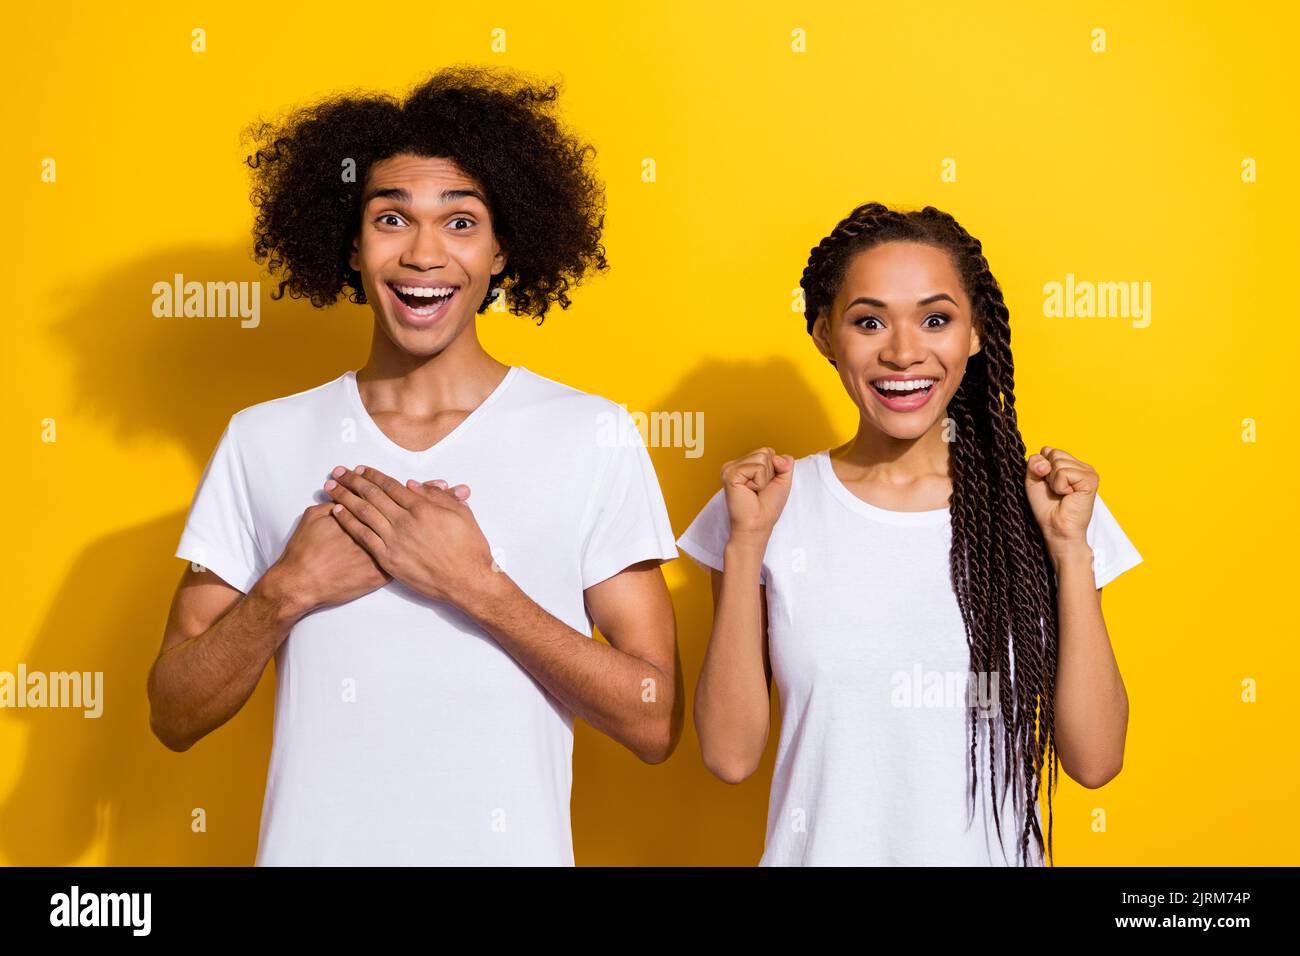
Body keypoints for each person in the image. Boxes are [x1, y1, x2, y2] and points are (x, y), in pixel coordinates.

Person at [148, 66, 682, 865]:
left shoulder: (591, 435)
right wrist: (287, 590)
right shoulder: (261, 438)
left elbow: (653, 718)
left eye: (460, 222)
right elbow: (173, 712)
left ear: (503, 249)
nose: (424, 253)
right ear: (351, 245)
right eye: (391, 218)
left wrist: (477, 586)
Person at [678, 202, 1142, 866]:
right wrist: (745, 544)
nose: (902, 352)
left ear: (976, 333)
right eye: (869, 322)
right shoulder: (764, 507)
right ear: (823, 336)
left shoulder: (1047, 508)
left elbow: (1096, 759)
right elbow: (729, 755)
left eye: (936, 319)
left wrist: (1070, 552)